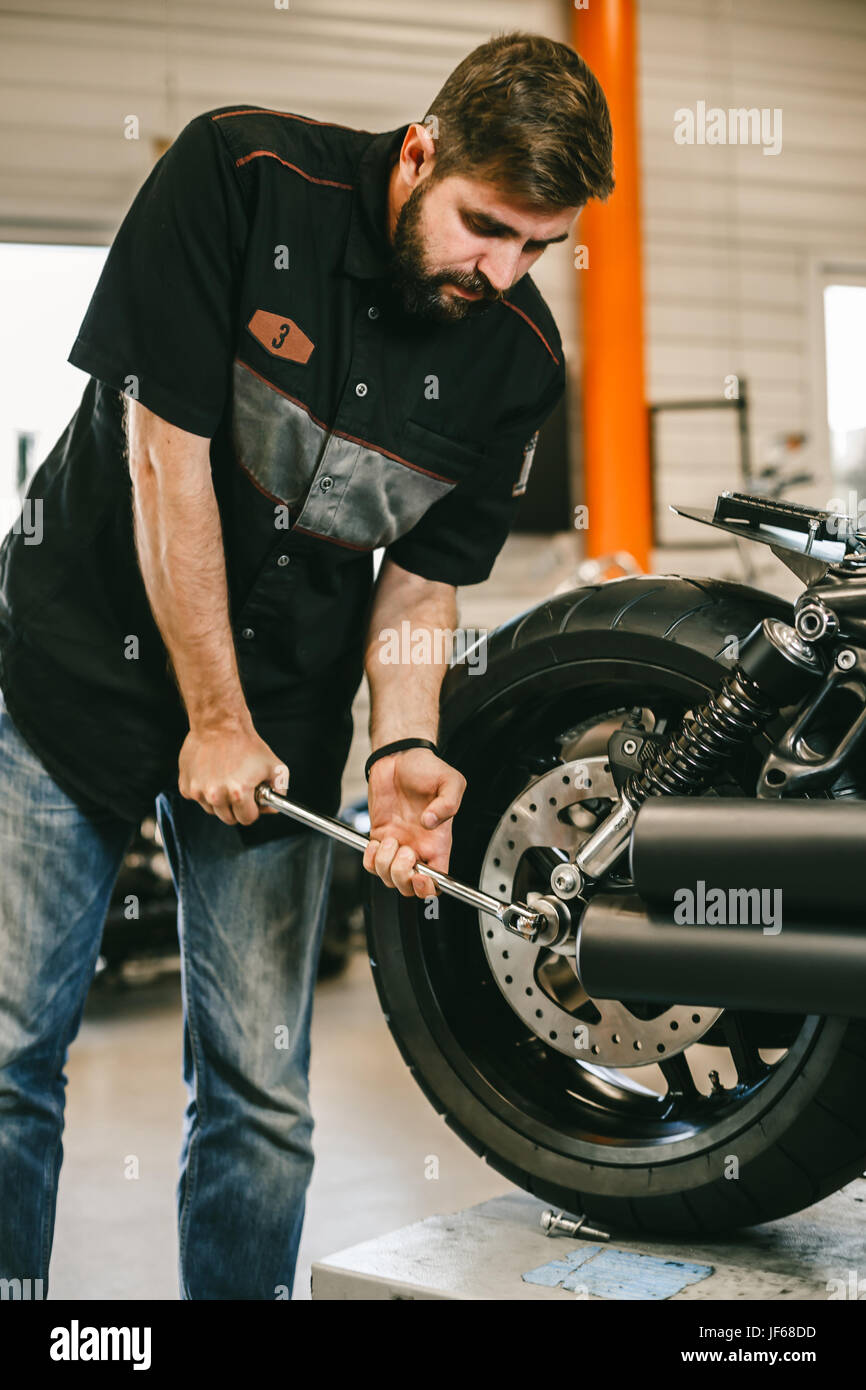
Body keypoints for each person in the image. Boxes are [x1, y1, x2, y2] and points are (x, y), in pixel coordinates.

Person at [0, 30, 613, 1299]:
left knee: (260, 1092)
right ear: (418, 151)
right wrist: (206, 713)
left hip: (282, 714)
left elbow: (420, 578)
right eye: (484, 225)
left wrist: (401, 746)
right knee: (8, 1056)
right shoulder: (238, 177)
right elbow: (164, 460)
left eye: (535, 248)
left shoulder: (515, 357)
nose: (501, 271)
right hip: (75, 670)